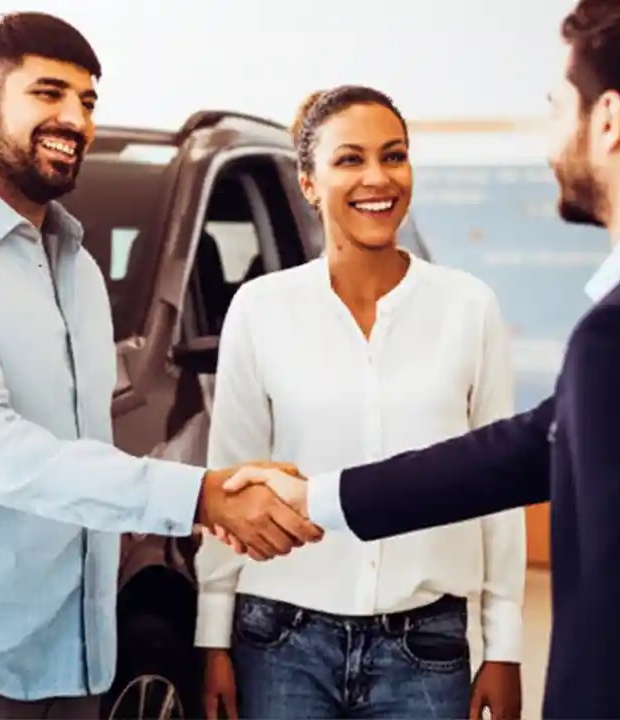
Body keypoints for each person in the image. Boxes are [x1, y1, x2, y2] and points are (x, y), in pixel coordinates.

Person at [224, 0, 620, 716]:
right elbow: (519, 451)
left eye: (558, 106)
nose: (548, 134)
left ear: (611, 120)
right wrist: (314, 498)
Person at [0, 12, 320, 720]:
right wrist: (202, 495)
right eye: (49, 93)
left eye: (87, 101)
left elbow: (81, 455)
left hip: (73, 656)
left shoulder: (76, 270)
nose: (75, 119)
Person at [194, 86, 525, 720]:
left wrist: (504, 645)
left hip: (426, 646)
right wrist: (213, 638)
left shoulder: (468, 306)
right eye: (349, 160)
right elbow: (231, 481)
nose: (378, 177)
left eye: (394, 156)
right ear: (309, 183)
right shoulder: (261, 309)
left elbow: (499, 487)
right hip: (280, 640)